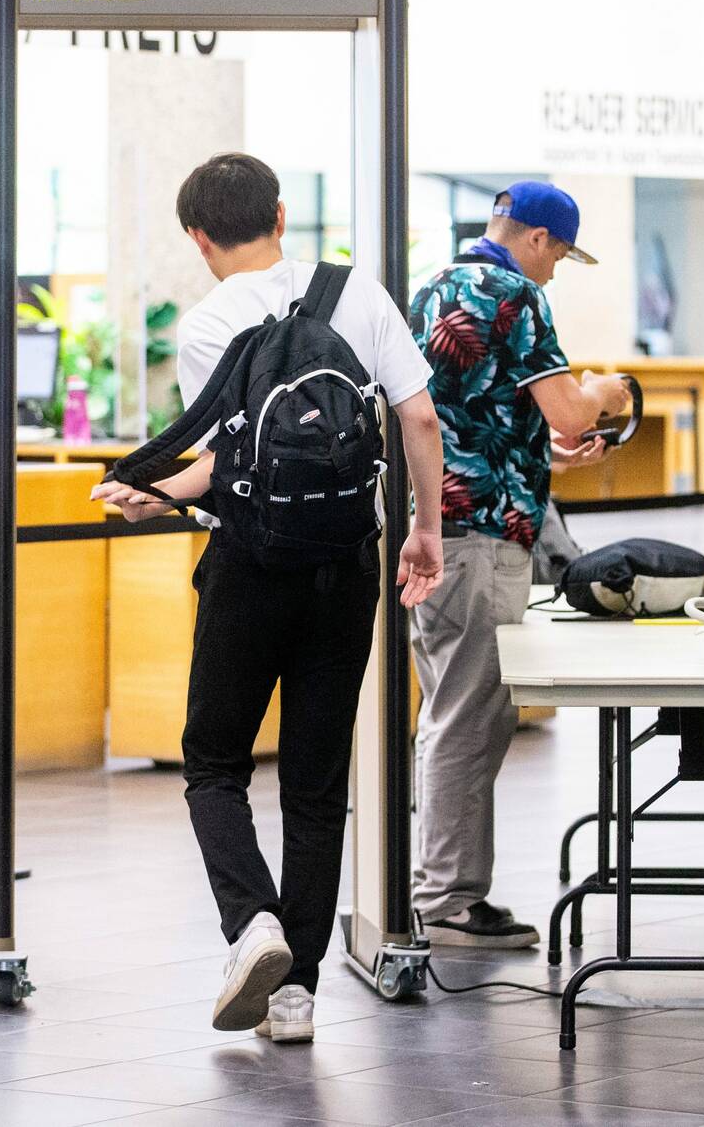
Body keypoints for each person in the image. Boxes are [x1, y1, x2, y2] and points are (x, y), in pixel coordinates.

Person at [90, 152, 445, 1043]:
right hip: (348, 566)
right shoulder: (355, 291)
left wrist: (155, 490)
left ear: (200, 238)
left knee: (213, 759)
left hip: (249, 566)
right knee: (317, 784)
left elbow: (218, 464)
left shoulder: (209, 324)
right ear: (281, 216)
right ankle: (298, 997)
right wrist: (423, 530)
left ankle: (253, 924)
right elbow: (420, 420)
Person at [407, 181, 628, 948]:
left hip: (434, 528)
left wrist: (540, 447)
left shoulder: (432, 288)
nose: (557, 271)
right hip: (481, 540)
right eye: (560, 255)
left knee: (451, 711)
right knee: (468, 717)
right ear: (537, 237)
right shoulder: (515, 294)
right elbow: (570, 409)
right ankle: (445, 898)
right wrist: (607, 391)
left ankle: (442, 887)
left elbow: (466, 413)